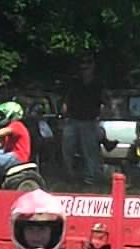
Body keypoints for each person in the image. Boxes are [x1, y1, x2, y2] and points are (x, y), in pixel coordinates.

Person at [61, 56, 106, 184]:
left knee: (90, 151)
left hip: (89, 121)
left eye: (87, 66)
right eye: (83, 66)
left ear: (93, 67)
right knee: (67, 149)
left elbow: (104, 102)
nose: (84, 69)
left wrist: (100, 117)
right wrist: (64, 115)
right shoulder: (75, 83)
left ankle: (91, 177)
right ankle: (69, 175)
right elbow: (67, 100)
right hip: (73, 120)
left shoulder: (98, 84)